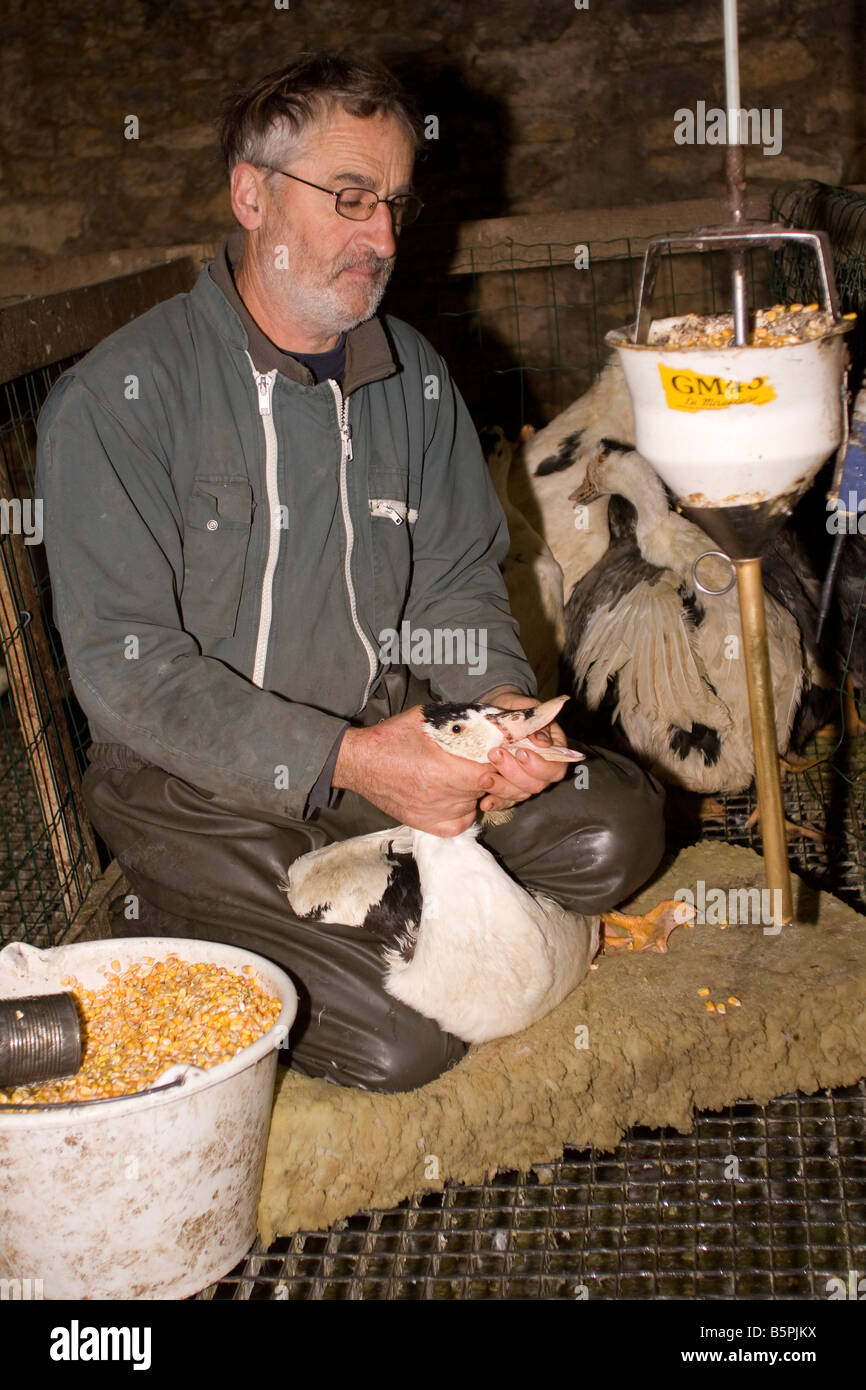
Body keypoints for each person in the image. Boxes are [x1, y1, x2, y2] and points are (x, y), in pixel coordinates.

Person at [36, 53, 665, 1092]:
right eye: (348, 198)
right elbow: (127, 669)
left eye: (393, 205)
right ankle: (283, 914)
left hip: (400, 741)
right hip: (199, 795)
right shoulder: (120, 402)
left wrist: (496, 717)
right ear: (250, 193)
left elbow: (459, 575)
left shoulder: (410, 375)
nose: (379, 238)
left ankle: (409, 905)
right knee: (398, 1037)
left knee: (615, 828)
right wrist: (353, 760)